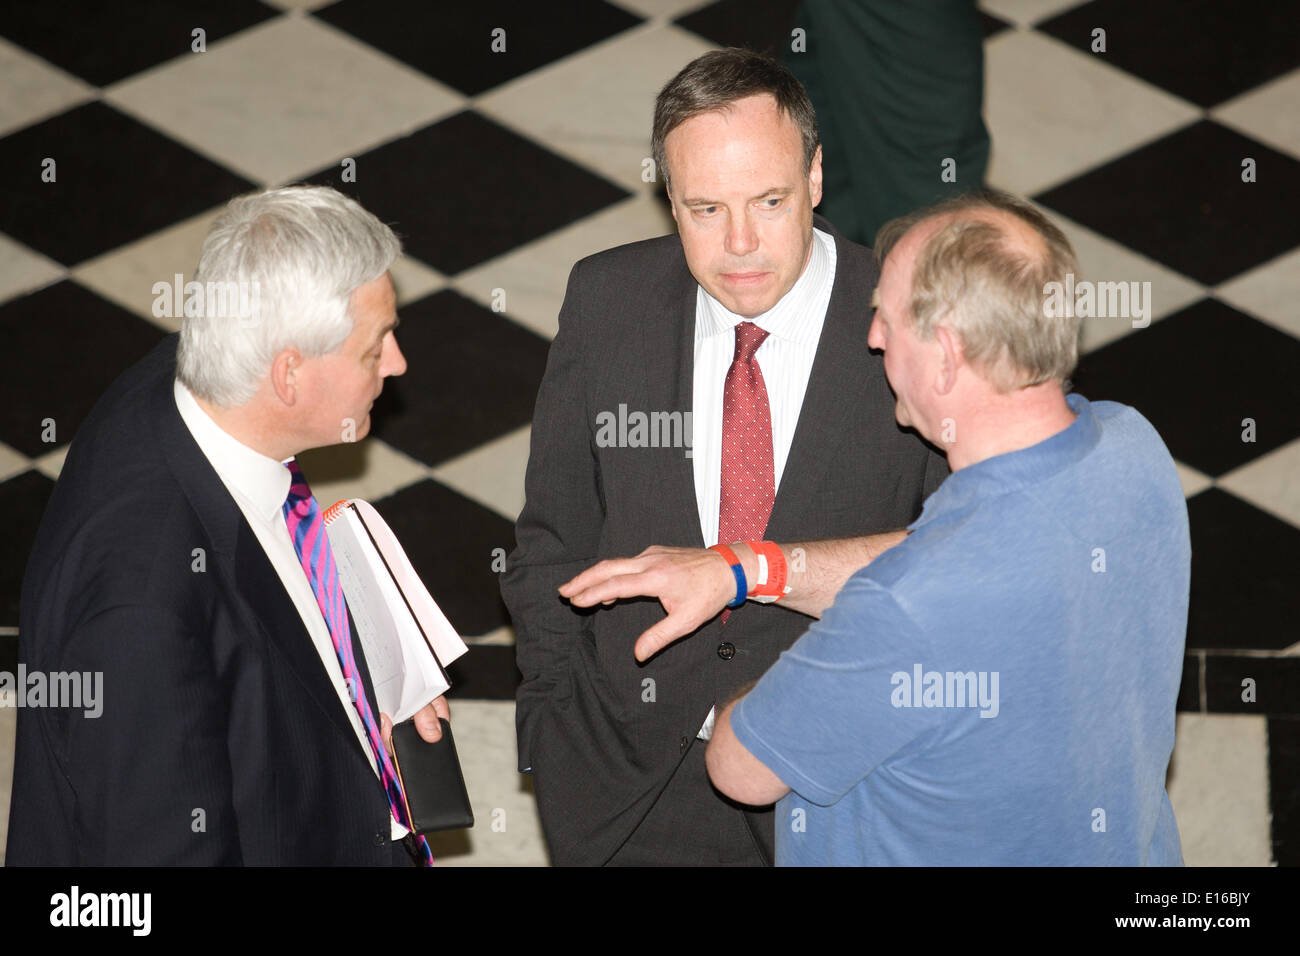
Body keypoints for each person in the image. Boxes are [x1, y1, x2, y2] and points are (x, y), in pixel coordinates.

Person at [501, 48, 947, 866]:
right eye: (704, 209)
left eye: (769, 201)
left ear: (816, 177)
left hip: (837, 791)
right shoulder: (607, 301)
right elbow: (553, 534)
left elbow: (958, 566)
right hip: (625, 786)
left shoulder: (912, 321)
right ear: (666, 196)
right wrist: (554, 722)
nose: (740, 244)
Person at [704, 189, 1190, 865]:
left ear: (946, 355)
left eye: (888, 319)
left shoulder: (908, 608)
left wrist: (796, 679)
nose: (873, 337)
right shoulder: (1134, 448)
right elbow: (981, 558)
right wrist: (752, 569)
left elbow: (741, 768)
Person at [7, 185, 449, 866]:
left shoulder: (188, 381)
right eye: (375, 347)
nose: (397, 364)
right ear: (290, 374)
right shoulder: (144, 614)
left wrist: (366, 692)